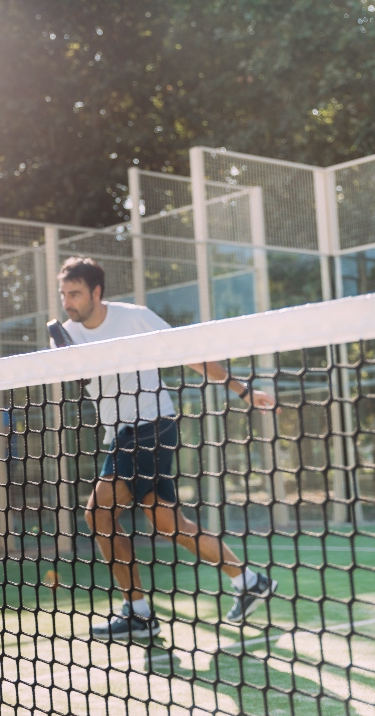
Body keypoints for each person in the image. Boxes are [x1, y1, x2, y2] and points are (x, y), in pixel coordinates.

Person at [55, 257, 278, 640]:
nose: (67, 302)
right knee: (168, 524)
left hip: (151, 427)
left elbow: (186, 354)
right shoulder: (65, 333)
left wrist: (241, 390)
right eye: (63, 294)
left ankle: (139, 613)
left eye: (74, 293)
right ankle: (249, 581)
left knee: (99, 515)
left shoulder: (135, 317)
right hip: (123, 434)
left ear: (96, 292)